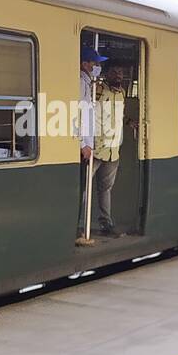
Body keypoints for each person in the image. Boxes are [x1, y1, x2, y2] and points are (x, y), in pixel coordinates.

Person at [90, 64, 129, 237]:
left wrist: (129, 123)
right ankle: (76, 225)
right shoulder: (97, 90)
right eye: (114, 72)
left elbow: (119, 116)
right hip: (95, 148)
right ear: (107, 74)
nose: (118, 75)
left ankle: (106, 223)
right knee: (84, 188)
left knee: (105, 189)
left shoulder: (122, 94)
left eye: (120, 72)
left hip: (113, 150)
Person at [76, 42, 107, 245]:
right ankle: (77, 229)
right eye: (94, 63)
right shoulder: (80, 82)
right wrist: (83, 144)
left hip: (87, 144)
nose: (97, 66)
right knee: (80, 189)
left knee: (82, 188)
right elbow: (76, 115)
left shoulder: (88, 82)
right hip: (82, 146)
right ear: (84, 63)